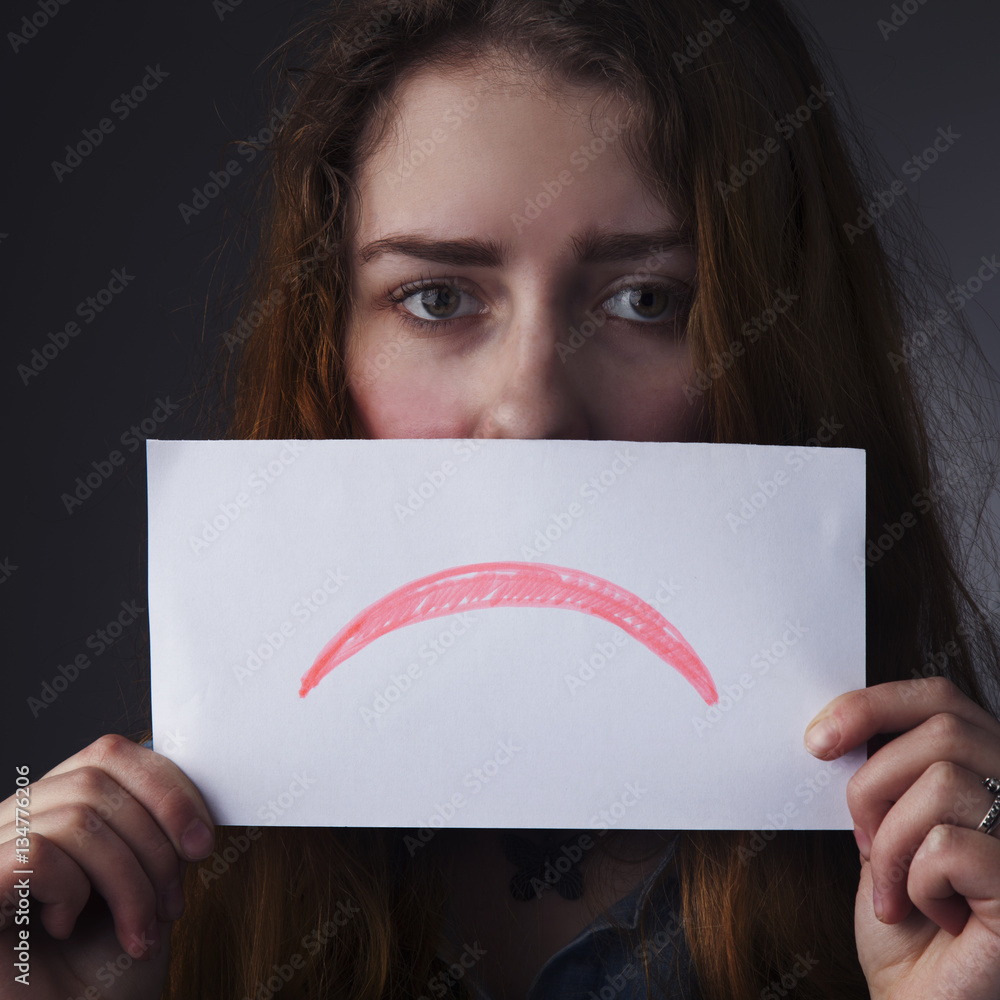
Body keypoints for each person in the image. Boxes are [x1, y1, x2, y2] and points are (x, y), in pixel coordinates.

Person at [3, 0, 1000, 997]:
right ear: (327, 347)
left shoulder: (951, 880)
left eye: (646, 299)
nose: (529, 413)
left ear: (775, 344)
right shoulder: (133, 889)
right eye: (436, 298)